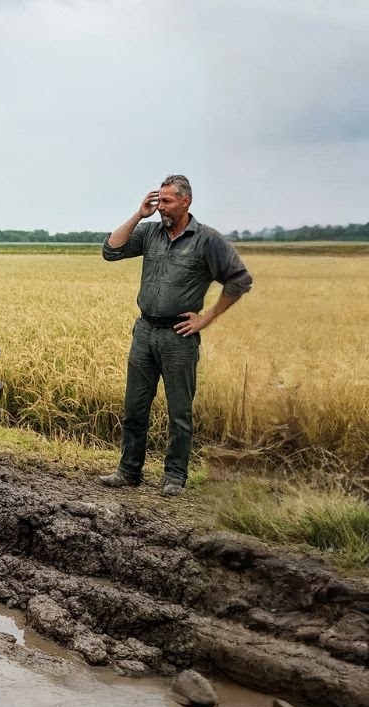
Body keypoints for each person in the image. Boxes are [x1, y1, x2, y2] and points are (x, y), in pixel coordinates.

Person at [97, 175, 253, 496]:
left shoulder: (206, 240)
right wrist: (139, 214)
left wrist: (206, 318)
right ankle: (128, 471)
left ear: (186, 202)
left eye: (166, 201)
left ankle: (174, 477)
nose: (160, 208)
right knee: (134, 407)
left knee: (179, 411)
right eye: (158, 201)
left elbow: (240, 280)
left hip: (179, 336)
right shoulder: (149, 231)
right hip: (144, 331)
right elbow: (110, 251)